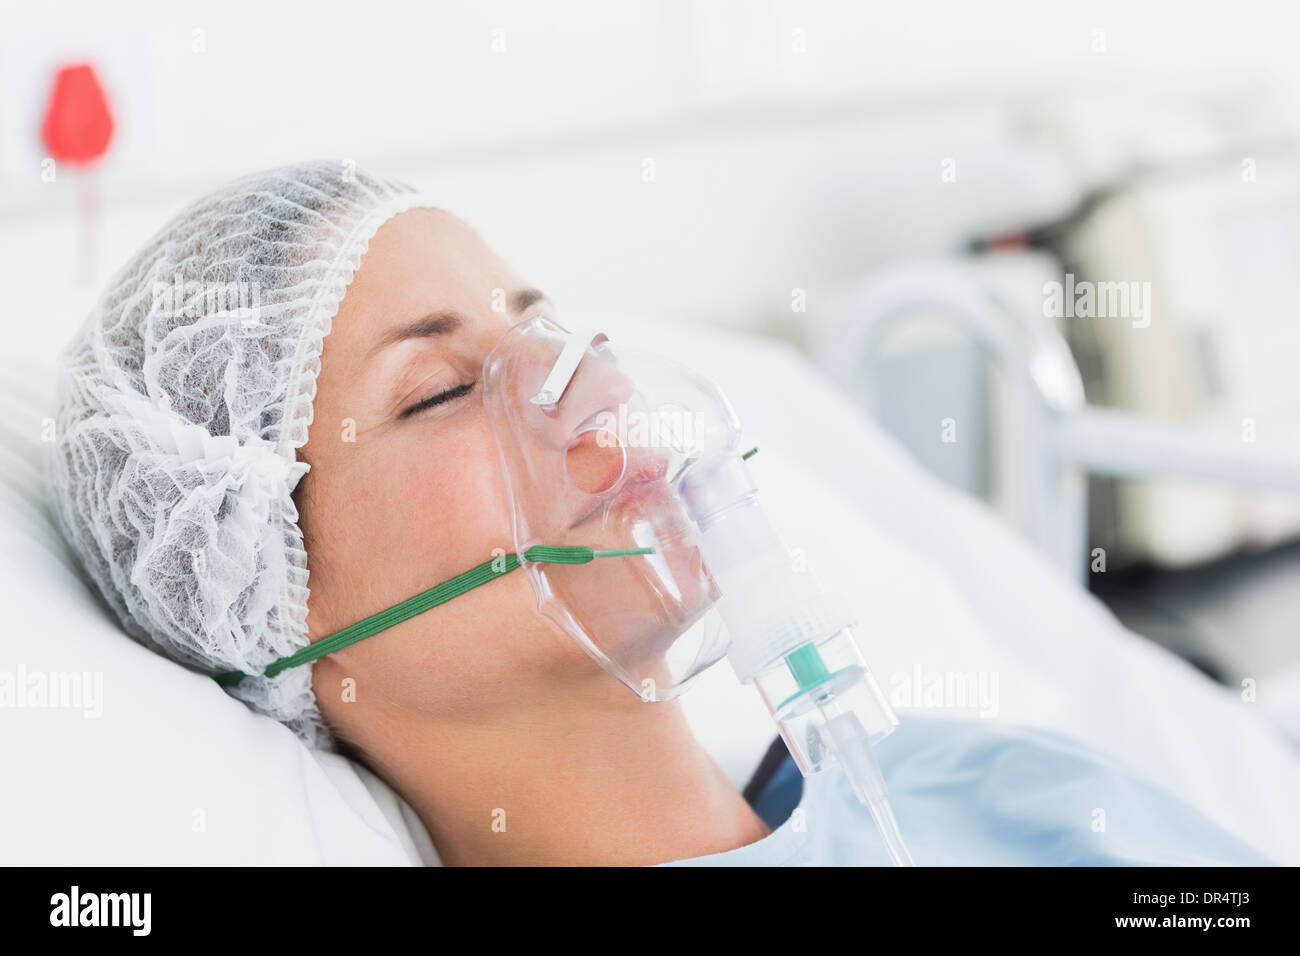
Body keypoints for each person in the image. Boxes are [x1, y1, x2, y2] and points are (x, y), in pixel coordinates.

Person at [48, 161, 1270, 866]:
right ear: (269, 599)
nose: (584, 386)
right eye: (441, 389)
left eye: (544, 325)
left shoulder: (994, 790)